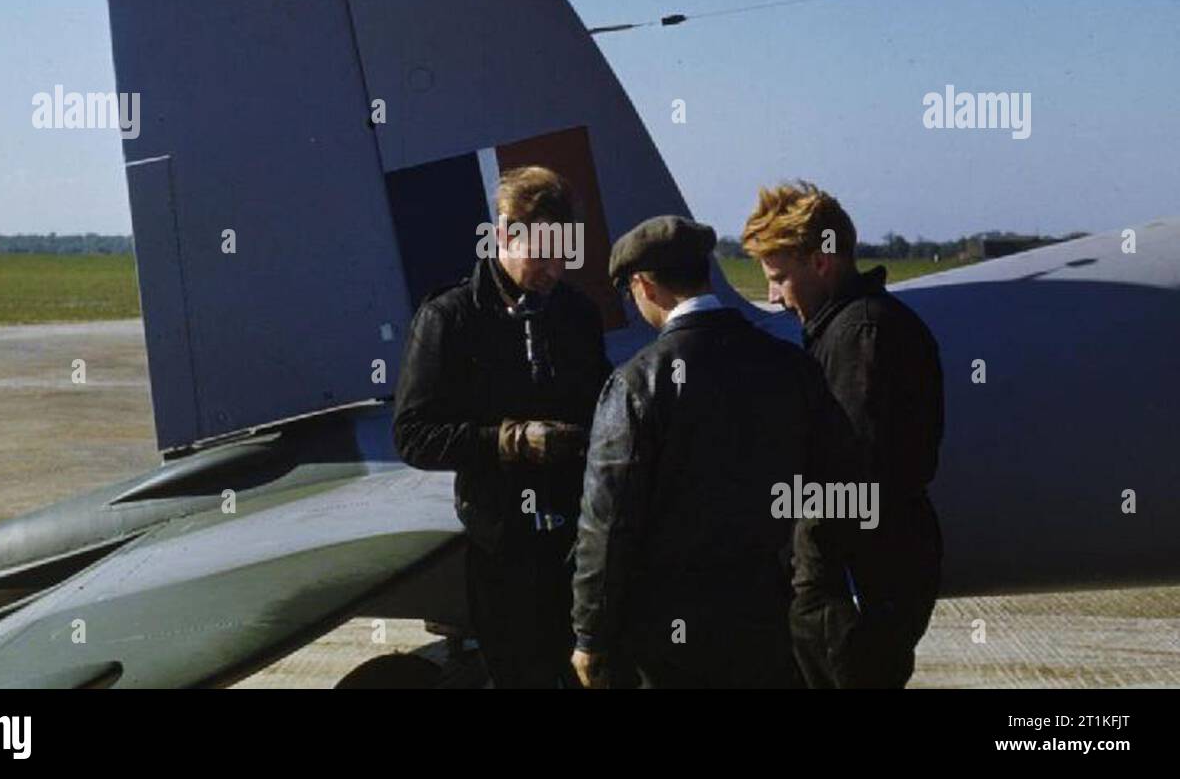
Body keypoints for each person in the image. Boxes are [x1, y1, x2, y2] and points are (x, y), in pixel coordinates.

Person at [571, 215, 856, 689]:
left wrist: (589, 633)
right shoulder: (789, 365)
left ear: (643, 285)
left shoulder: (635, 384)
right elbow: (833, 483)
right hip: (765, 611)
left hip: (669, 628)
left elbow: (608, 521)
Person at [393, 165, 610, 687]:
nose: (555, 271)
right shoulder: (448, 318)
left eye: (563, 255)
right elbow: (414, 436)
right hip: (502, 548)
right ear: (504, 235)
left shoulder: (576, 315)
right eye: (543, 255)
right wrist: (512, 441)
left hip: (573, 544)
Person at [742, 181, 944, 688]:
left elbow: (854, 472)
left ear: (821, 262)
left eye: (779, 277)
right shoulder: (852, 328)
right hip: (860, 567)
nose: (772, 296)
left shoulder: (860, 336)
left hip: (854, 574)